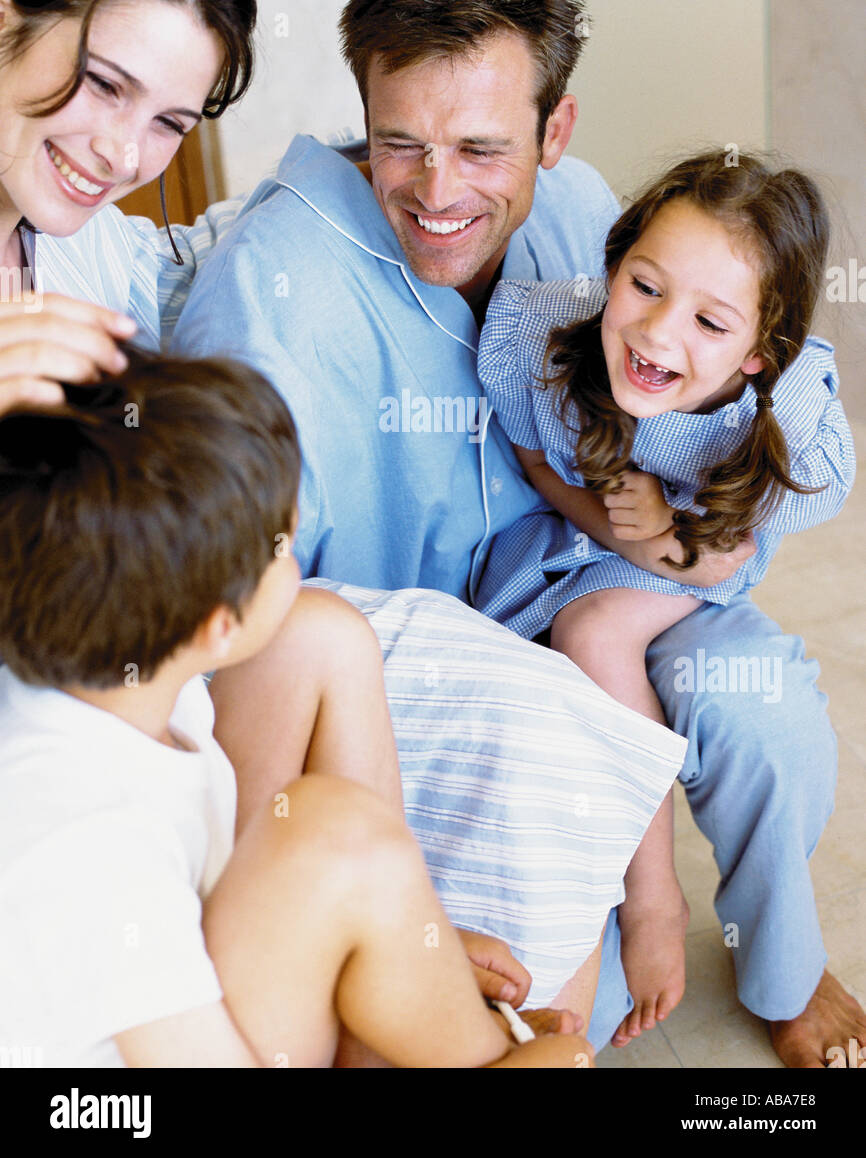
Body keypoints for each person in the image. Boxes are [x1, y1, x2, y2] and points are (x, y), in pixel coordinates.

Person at [0, 0, 686, 1048]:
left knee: (325, 640)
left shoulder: (90, 241)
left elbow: (179, 262)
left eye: (168, 118)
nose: (119, 151)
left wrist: (307, 209)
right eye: (103, 86)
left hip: (134, 702)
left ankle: (408, 946)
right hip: (54, 735)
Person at [174, 0, 866, 1066]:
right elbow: (253, 651)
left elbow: (747, 407)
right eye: (400, 142)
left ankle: (782, 965)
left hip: (617, 578)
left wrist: (694, 554)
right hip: (437, 681)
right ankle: (611, 898)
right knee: (555, 1010)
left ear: (554, 134)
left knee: (766, 716)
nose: (438, 191)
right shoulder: (272, 300)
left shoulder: (593, 222)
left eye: (483, 148)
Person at [0, 346, 595, 1068]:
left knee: (319, 634)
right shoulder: (85, 844)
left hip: (198, 976)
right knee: (328, 829)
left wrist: (406, 939)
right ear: (217, 624)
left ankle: (413, 963)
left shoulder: (122, 668)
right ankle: (481, 1051)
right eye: (283, 544)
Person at [476, 149, 856, 1041]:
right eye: (645, 287)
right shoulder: (544, 345)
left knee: (604, 630)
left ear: (760, 353)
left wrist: (667, 540)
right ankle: (615, 903)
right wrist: (621, 529)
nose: (657, 335)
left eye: (710, 322)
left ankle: (659, 898)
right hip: (589, 542)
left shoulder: (780, 423)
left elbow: (726, 559)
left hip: (697, 553)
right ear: (614, 267)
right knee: (583, 619)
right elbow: (536, 460)